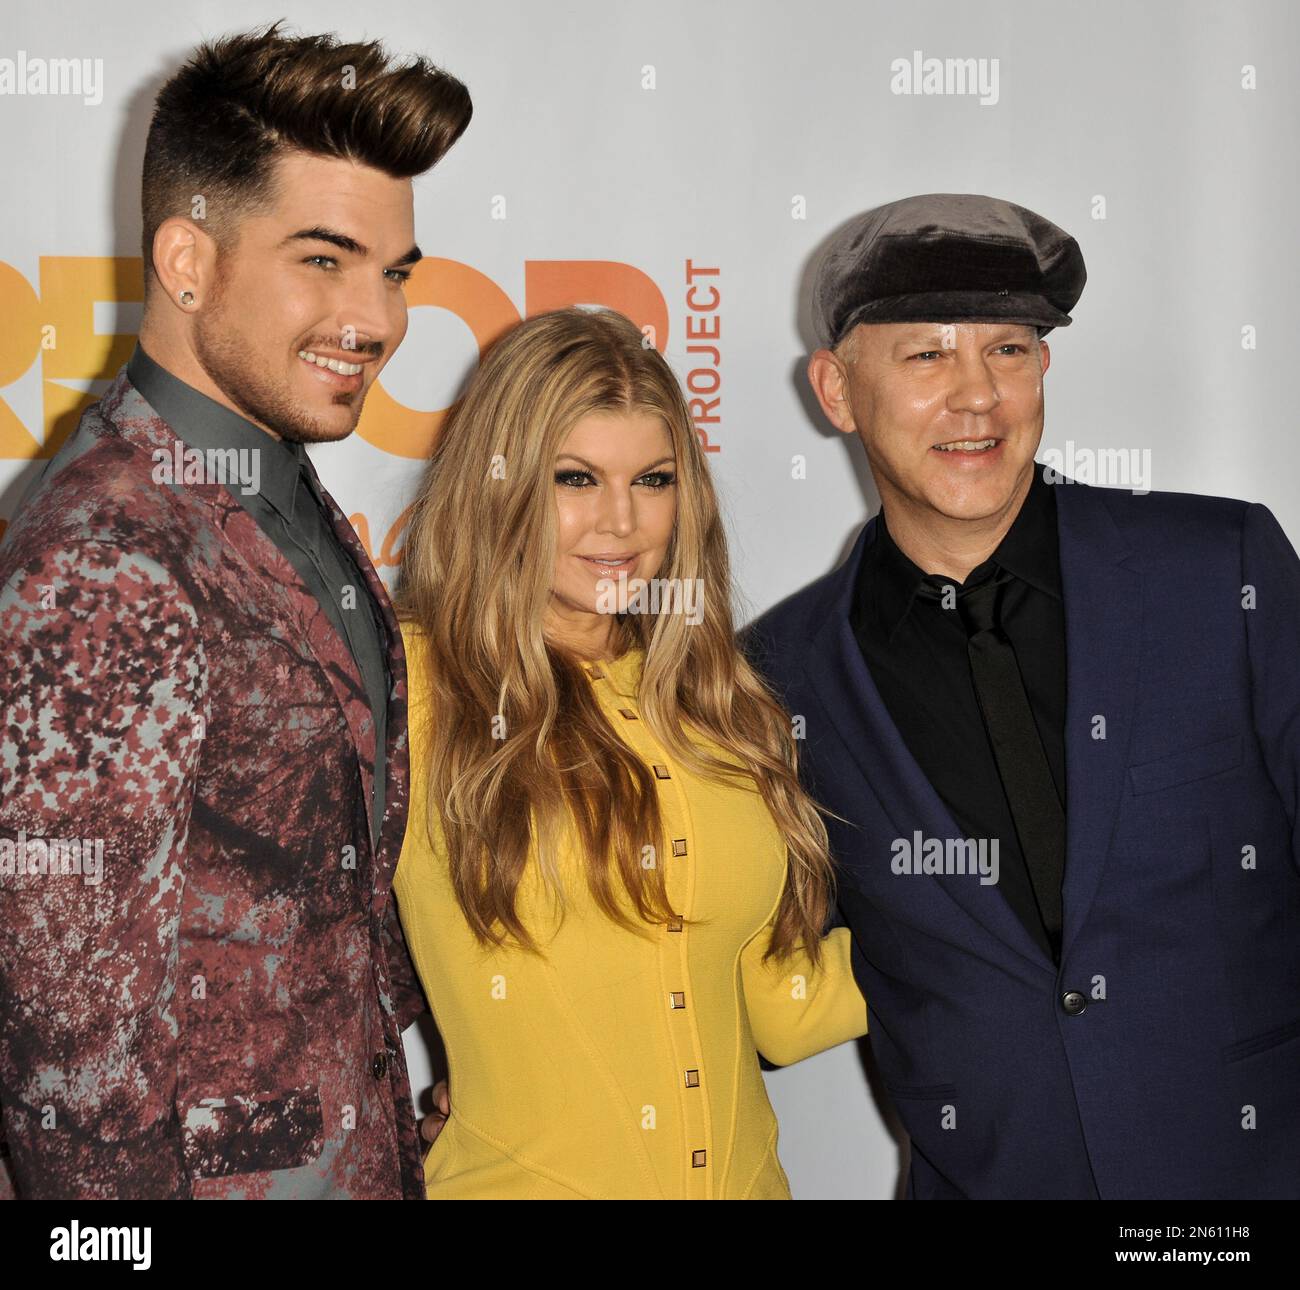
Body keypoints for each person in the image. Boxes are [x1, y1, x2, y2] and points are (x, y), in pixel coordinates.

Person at [743, 192, 1300, 1199]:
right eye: (926, 356)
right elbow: (735, 959)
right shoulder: (776, 675)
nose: (976, 398)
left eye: (1008, 351)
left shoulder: (1220, 571)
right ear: (834, 390)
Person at [0, 23, 470, 1198]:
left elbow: (309, 870)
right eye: (324, 258)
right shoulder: (107, 561)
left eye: (395, 270)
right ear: (188, 261)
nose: (379, 317)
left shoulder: (271, 482)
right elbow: (68, 1068)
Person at [392, 306, 868, 1199]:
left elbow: (784, 1012)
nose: (620, 522)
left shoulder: (722, 705)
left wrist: (997, 941)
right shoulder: (408, 686)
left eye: (653, 479)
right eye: (575, 478)